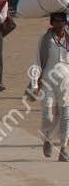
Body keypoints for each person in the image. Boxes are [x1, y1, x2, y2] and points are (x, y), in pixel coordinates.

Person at [32, 12, 69, 162]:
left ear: (65, 23)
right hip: (48, 80)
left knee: (65, 115)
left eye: (62, 21)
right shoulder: (45, 39)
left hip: (66, 81)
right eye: (56, 21)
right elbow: (37, 61)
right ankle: (47, 139)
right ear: (52, 23)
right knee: (48, 114)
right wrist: (34, 83)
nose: (59, 24)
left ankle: (63, 148)